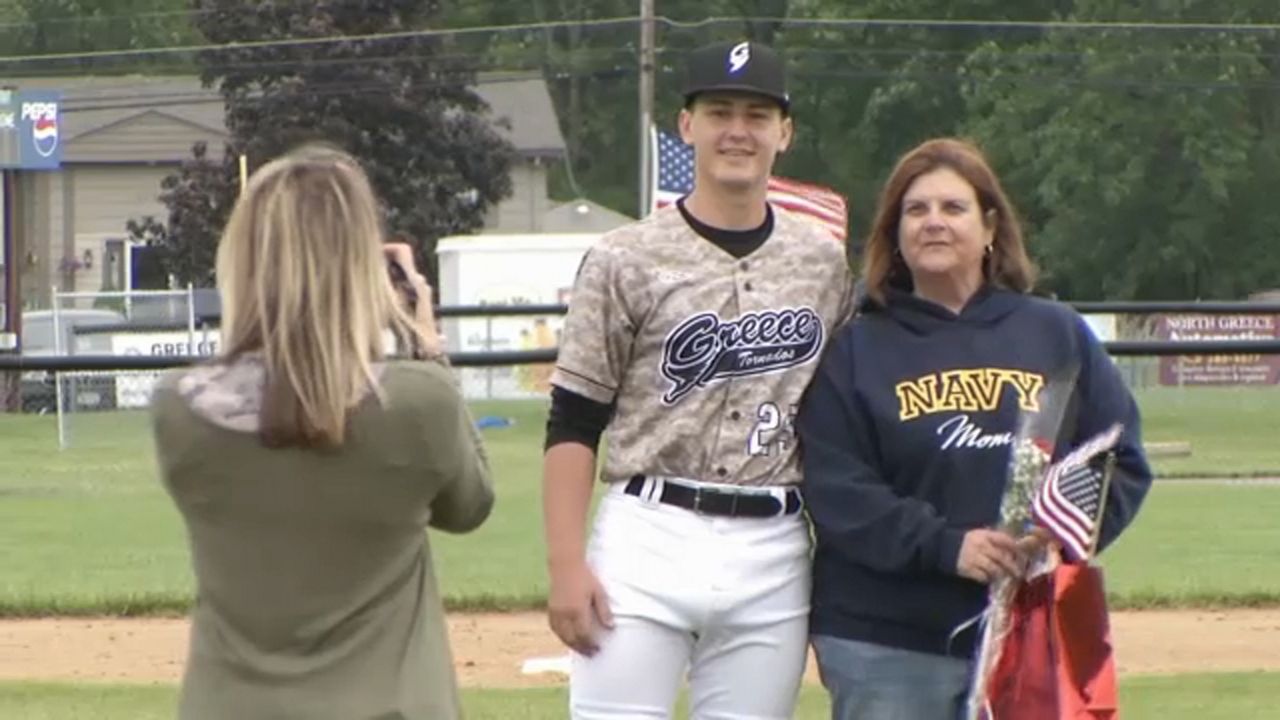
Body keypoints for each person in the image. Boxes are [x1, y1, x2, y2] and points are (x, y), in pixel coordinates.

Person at [542, 40, 855, 719]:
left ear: (784, 132)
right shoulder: (625, 256)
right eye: (719, 111)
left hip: (773, 543)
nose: (737, 130)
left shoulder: (823, 263)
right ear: (688, 126)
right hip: (646, 531)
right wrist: (566, 565)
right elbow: (572, 418)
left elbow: (842, 426)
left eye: (756, 114)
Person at [796, 138, 1153, 719]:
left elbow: (1120, 460)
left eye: (953, 208)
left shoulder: (1055, 333)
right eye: (916, 211)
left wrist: (1055, 540)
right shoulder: (857, 347)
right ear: (894, 235)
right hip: (886, 638)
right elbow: (837, 489)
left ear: (990, 227)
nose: (933, 222)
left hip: (1031, 629)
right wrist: (947, 546)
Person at [150, 145, 493, 720]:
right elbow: (468, 506)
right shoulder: (417, 400)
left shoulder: (179, 408)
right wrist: (425, 345)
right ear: (362, 266)